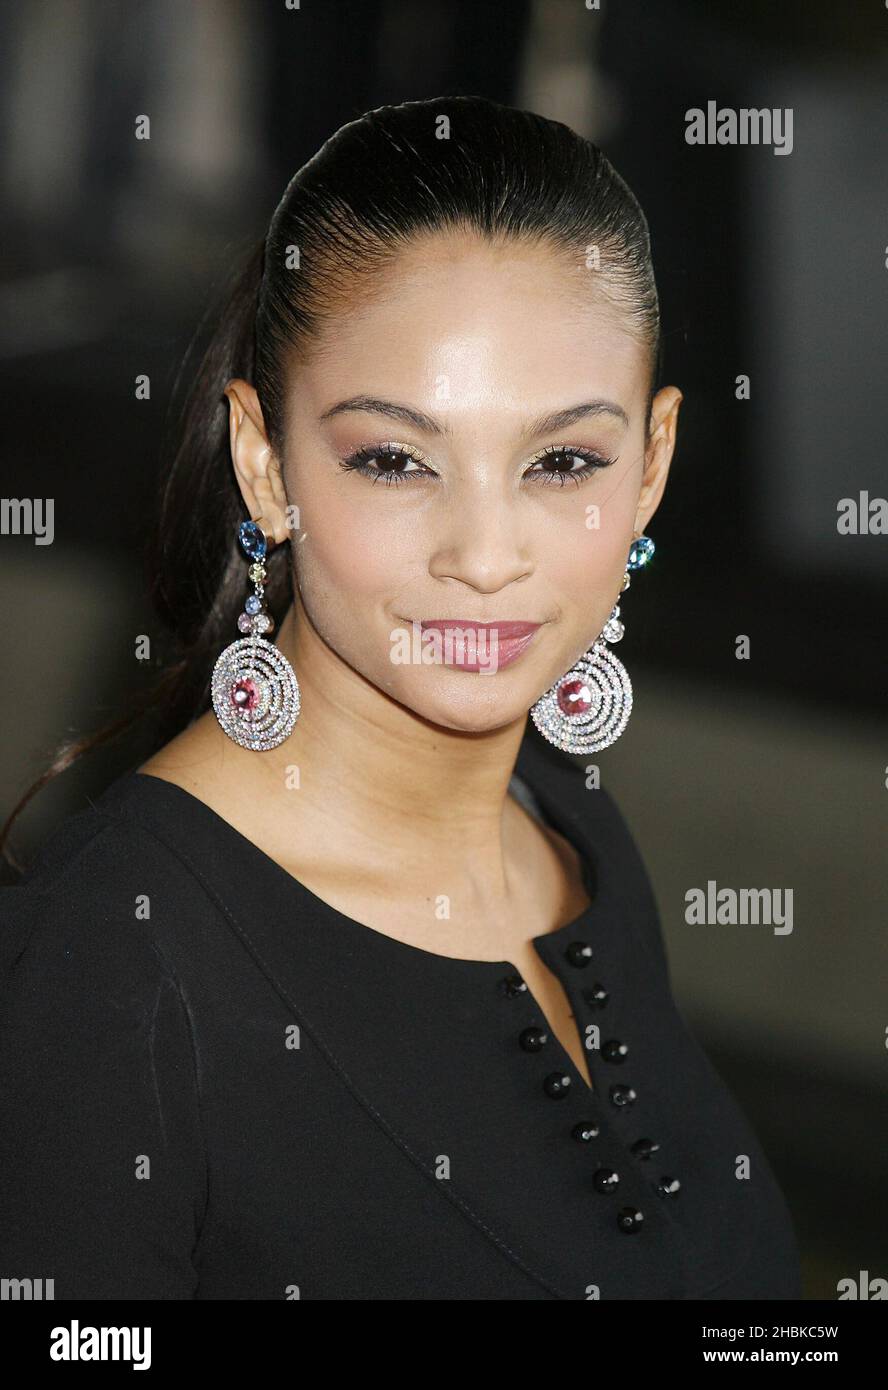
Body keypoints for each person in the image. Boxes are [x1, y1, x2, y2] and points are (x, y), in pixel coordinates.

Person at [0, 95, 801, 1300]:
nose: (485, 553)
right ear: (266, 464)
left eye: (564, 461)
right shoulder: (120, 955)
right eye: (394, 458)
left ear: (653, 467)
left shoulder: (569, 839)